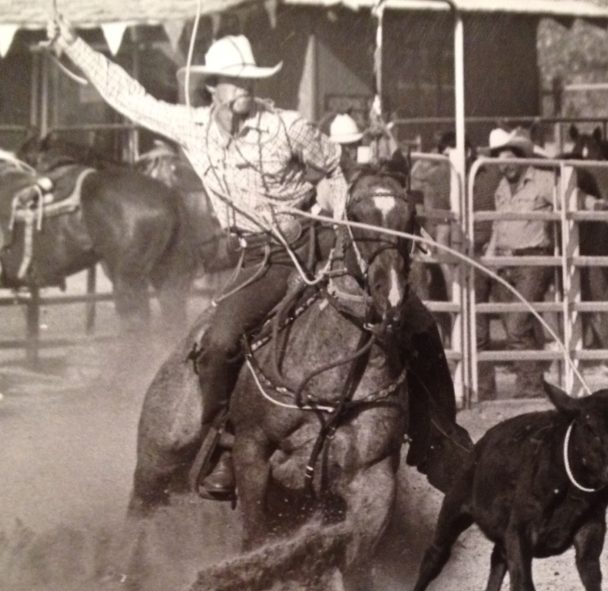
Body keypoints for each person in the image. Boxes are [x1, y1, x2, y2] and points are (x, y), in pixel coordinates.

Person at [47, 16, 469, 499]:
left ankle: (438, 437)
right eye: (238, 81)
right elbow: (132, 99)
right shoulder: (194, 128)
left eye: (251, 80)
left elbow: (336, 167)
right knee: (220, 342)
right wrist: (74, 45)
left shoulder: (286, 127)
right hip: (263, 263)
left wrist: (335, 206)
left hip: (317, 244)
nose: (246, 88)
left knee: (411, 318)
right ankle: (224, 444)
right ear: (215, 89)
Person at [476, 127, 608, 400]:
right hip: (505, 259)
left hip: (533, 258)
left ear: (521, 157)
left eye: (509, 159)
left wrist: (595, 204)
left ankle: (530, 386)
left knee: (516, 323)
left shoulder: (543, 180)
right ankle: (527, 381)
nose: (505, 166)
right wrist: (491, 255)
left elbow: (572, 195)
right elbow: (498, 225)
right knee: (516, 324)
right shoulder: (502, 188)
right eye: (500, 161)